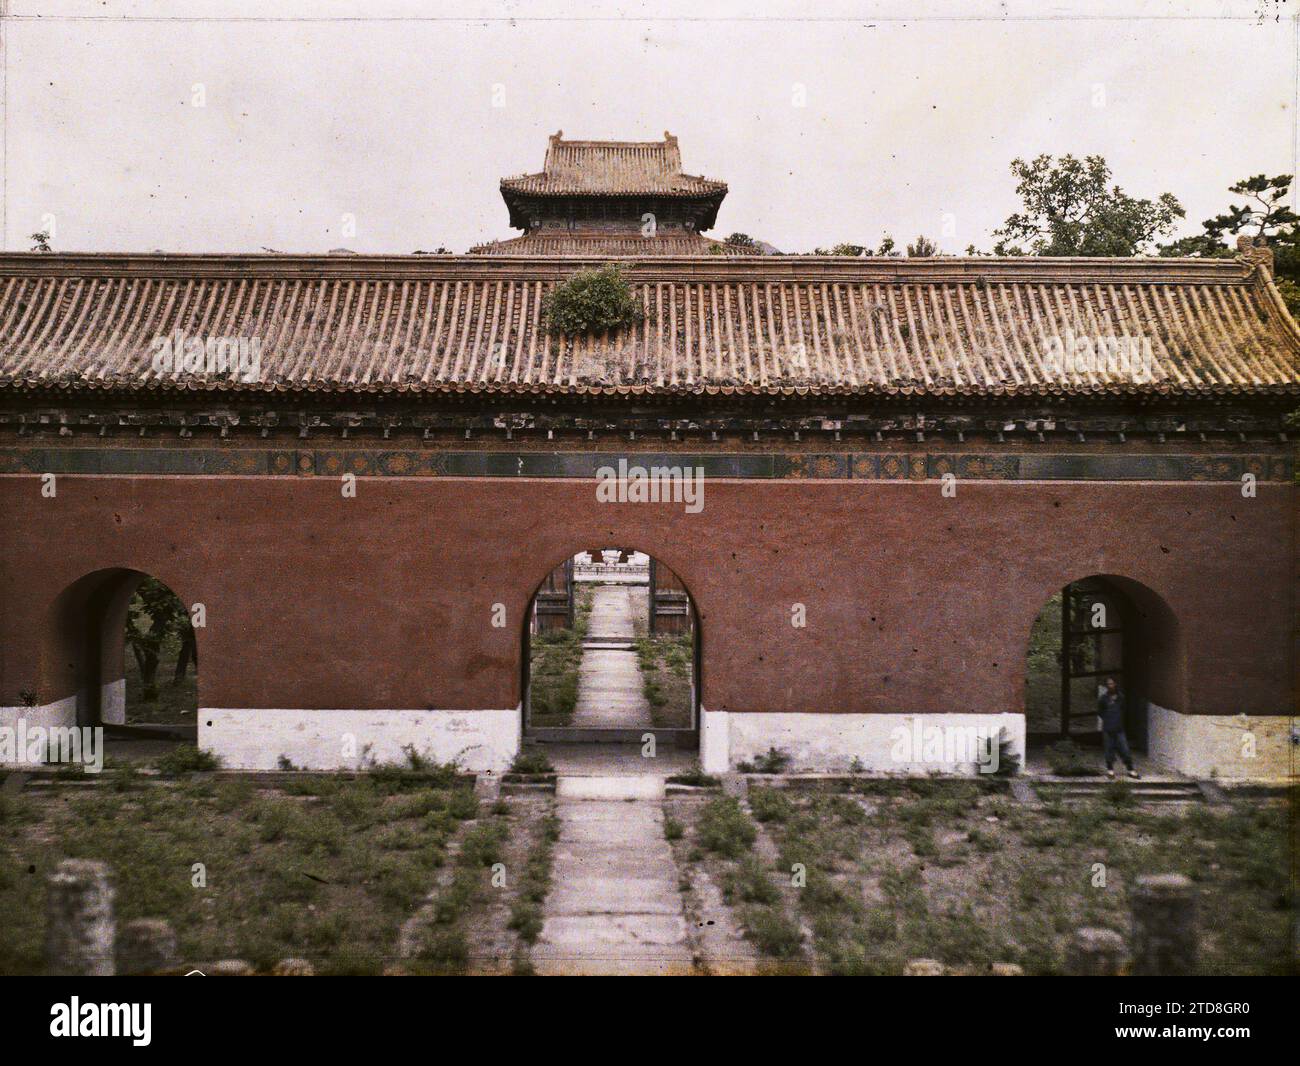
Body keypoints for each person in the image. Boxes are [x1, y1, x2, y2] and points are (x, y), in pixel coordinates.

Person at [1097, 677, 1140, 779]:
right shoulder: (1103, 699)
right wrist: (1108, 719)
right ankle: (1110, 770)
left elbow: (1124, 710)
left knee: (1125, 750)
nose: (1110, 686)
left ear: (1115, 684)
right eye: (1108, 684)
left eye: (1112, 684)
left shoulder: (1121, 698)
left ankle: (1130, 770)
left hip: (1119, 729)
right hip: (1108, 729)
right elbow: (1100, 712)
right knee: (1109, 750)